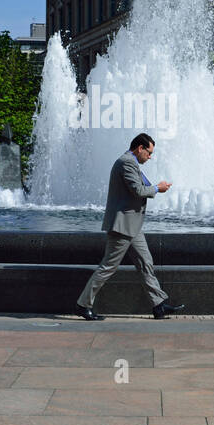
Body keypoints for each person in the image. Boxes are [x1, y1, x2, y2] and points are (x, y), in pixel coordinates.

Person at [76, 133, 185, 321]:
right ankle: (83, 305)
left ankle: (158, 305)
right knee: (108, 267)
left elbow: (141, 187)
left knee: (146, 262)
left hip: (132, 225)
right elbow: (138, 190)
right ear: (140, 148)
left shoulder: (131, 162)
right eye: (149, 153)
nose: (150, 157)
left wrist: (156, 187)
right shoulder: (126, 162)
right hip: (122, 226)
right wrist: (158, 188)